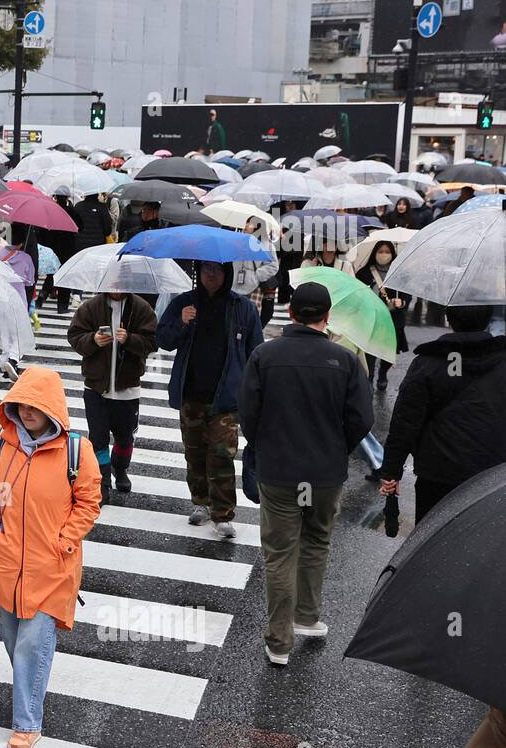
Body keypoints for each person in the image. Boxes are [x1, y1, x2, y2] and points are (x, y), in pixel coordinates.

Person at [237, 282, 373, 666]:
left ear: (291, 313)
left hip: (280, 470)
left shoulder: (265, 355)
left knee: (280, 552)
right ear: (327, 316)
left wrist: (266, 444)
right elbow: (361, 418)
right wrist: (335, 448)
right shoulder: (344, 360)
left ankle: (279, 641)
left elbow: (248, 413)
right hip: (325, 472)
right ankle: (308, 616)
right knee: (316, 541)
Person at [0, 367, 101, 748]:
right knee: (12, 637)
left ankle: (27, 724)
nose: (26, 412)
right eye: (21, 404)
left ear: (51, 408)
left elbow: (89, 502)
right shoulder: (2, 440)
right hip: (7, 561)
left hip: (51, 567)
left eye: (34, 406)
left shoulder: (77, 450)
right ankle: (29, 690)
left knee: (32, 643)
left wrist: (64, 542)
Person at [156, 261, 264, 539]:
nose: (211, 274)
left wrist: (256, 392)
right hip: (190, 393)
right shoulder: (185, 302)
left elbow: (256, 352)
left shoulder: (243, 307)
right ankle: (201, 502)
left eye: (217, 269)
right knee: (194, 452)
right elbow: (163, 339)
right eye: (205, 269)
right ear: (198, 272)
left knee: (222, 455)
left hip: (227, 398)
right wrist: (181, 322)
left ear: (226, 272)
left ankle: (223, 514)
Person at [379, 305, 506, 523]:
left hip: (437, 471)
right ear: (487, 320)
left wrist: (391, 472)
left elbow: (406, 422)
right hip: (491, 474)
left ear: (449, 319)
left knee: (431, 542)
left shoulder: (427, 362)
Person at [68, 288, 158, 494]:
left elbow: (153, 342)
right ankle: (103, 481)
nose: (116, 289)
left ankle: (121, 468)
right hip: (96, 387)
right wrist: (93, 340)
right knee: (98, 438)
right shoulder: (90, 307)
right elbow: (74, 336)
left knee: (125, 437)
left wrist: (130, 339)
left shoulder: (141, 308)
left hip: (127, 388)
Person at [347, 239, 408, 391]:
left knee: (389, 351)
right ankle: (370, 378)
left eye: (387, 252)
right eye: (380, 251)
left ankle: (383, 373)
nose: (383, 255)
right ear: (374, 253)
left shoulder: (398, 273)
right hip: (371, 318)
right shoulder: (365, 272)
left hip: (393, 318)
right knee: (370, 351)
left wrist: (402, 302)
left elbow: (407, 294)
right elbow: (358, 292)